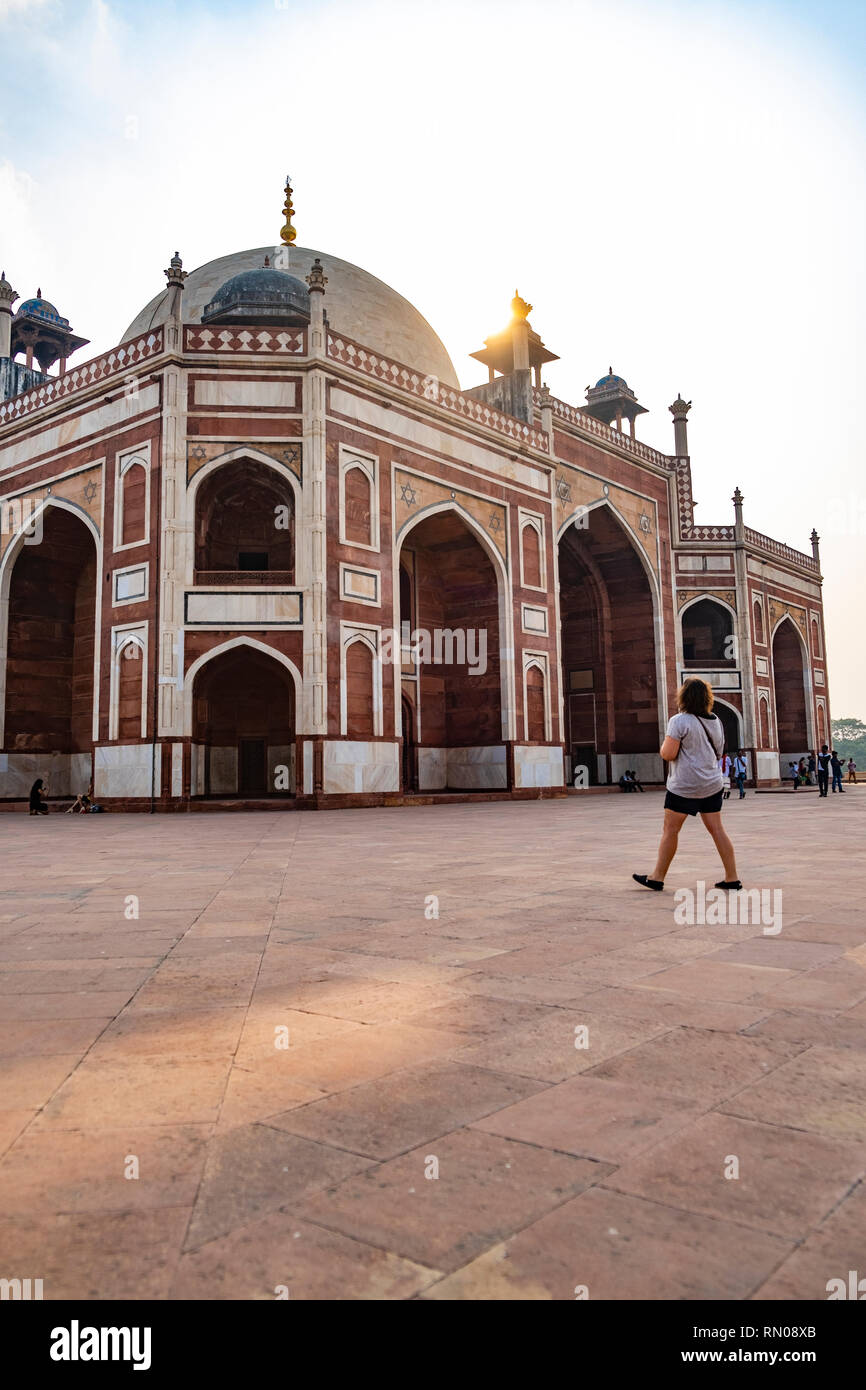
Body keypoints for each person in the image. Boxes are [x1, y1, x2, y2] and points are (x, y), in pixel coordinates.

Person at [633, 676, 741, 893]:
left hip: (685, 785)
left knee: (671, 830)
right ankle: (732, 877)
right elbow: (719, 751)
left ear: (684, 697)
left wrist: (665, 747)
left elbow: (668, 753)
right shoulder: (716, 720)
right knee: (717, 830)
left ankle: (657, 877)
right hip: (711, 783)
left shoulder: (679, 721)